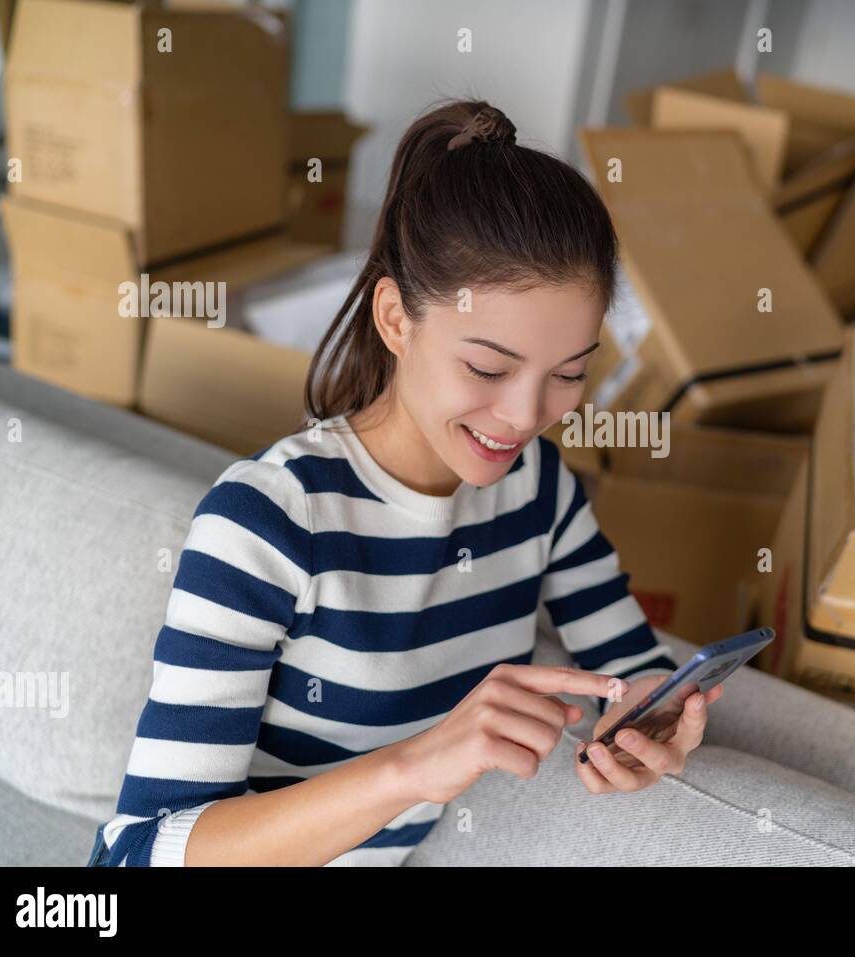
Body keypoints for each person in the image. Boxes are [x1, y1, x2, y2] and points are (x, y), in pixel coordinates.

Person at [86, 99, 725, 867]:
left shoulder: (540, 491)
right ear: (395, 318)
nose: (526, 416)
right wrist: (418, 763)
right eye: (487, 367)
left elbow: (625, 669)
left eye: (569, 374)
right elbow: (132, 857)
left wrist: (657, 724)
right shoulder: (268, 522)